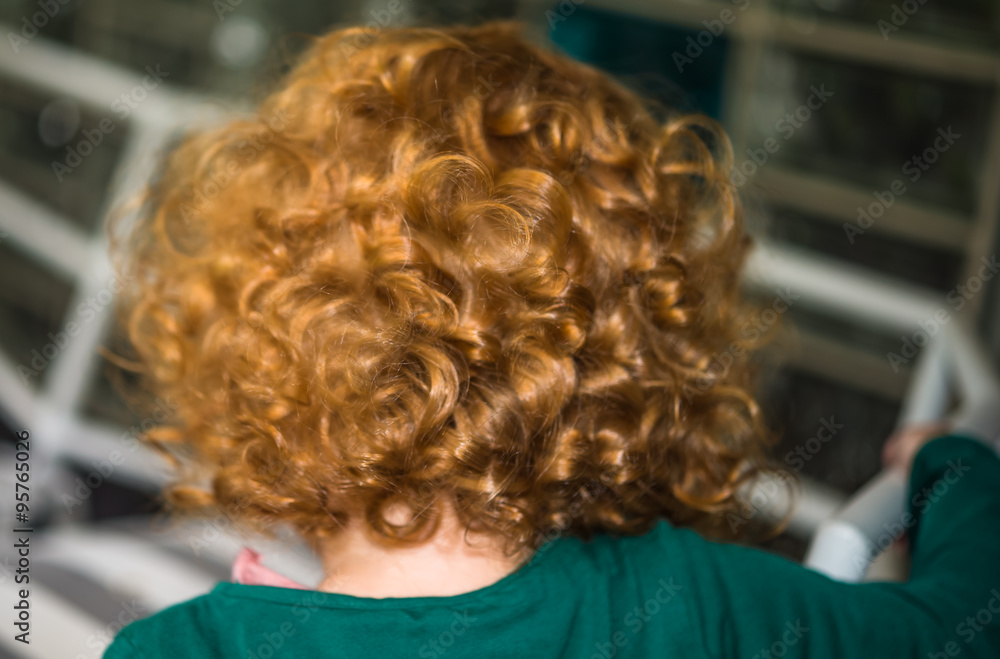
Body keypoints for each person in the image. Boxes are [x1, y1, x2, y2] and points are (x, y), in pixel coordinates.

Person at [102, 21, 1000, 658]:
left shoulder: (183, 647)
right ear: (634, 351)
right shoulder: (695, 597)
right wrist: (957, 469)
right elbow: (957, 626)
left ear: (258, 360)